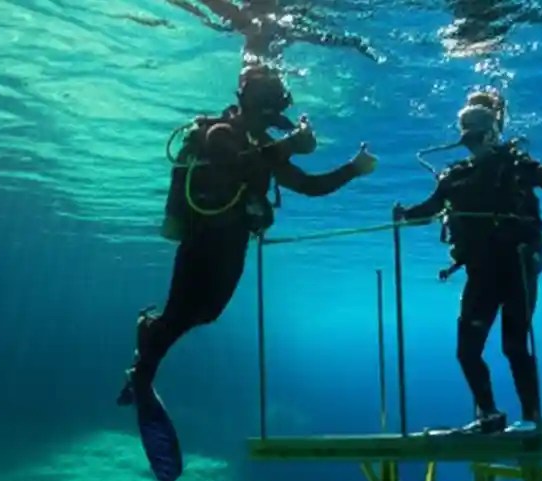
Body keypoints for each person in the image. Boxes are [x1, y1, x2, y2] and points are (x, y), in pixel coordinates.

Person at [117, 63, 377, 409]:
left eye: (273, 100)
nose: (268, 109)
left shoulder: (266, 144)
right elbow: (237, 165)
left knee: (206, 313)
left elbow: (309, 186)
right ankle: (141, 375)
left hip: (233, 242)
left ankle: (149, 335)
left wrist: (353, 169)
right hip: (201, 239)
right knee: (180, 313)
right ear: (246, 100)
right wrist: (292, 144)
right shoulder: (221, 132)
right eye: (262, 99)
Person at [393, 89, 542, 435]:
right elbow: (431, 208)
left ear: (490, 131)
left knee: (513, 346)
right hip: (480, 271)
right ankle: (490, 416)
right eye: (467, 133)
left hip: (516, 265)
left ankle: (532, 417)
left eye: (476, 133)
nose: (472, 141)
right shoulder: (454, 176)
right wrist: (405, 214)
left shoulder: (513, 164)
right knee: (467, 351)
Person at [161, 0, 382, 65]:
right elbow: (346, 41)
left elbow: (347, 41)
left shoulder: (238, 22)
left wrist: (362, 47)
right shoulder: (290, 30)